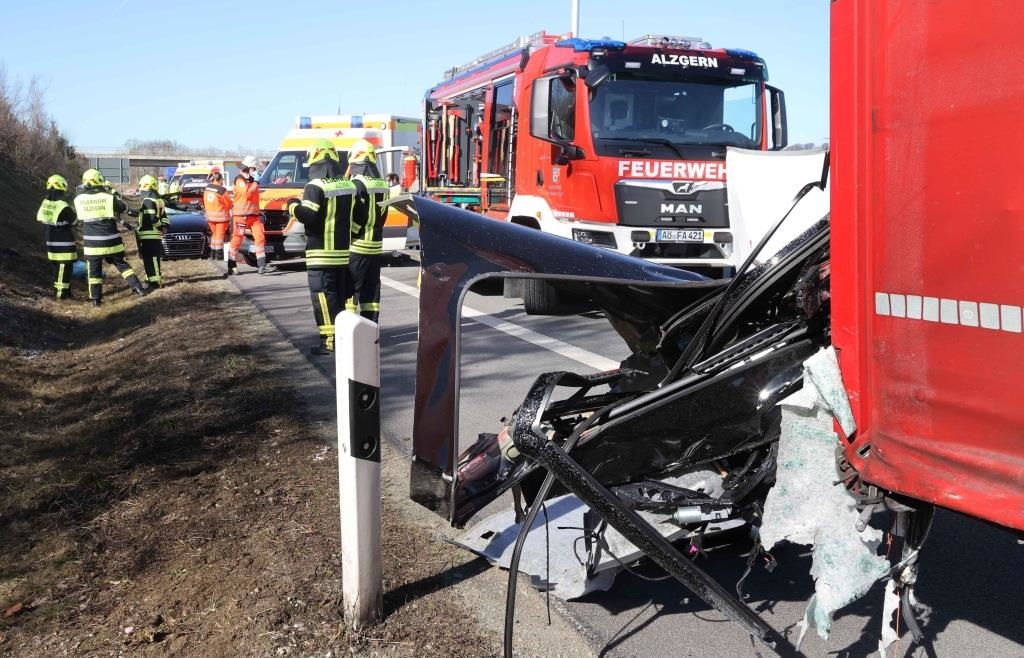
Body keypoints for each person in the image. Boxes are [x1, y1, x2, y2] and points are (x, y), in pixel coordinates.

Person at [287, 138, 354, 355]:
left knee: (323, 297)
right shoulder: (348, 185)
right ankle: (344, 338)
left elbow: (309, 216)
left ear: (313, 157)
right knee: (340, 298)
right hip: (342, 253)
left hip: (320, 253)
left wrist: (292, 206)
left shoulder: (314, 186)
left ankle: (329, 342)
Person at [73, 169, 147, 306]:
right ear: (99, 181)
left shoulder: (78, 199)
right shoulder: (108, 197)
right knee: (122, 265)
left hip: (92, 243)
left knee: (93, 272)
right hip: (112, 240)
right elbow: (124, 208)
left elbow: (76, 218)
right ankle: (138, 288)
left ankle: (96, 300)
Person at [345, 139, 390, 323]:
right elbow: (383, 216)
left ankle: (349, 332)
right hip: (375, 246)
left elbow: (352, 215)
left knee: (350, 292)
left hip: (357, 247)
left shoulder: (356, 183)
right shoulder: (382, 183)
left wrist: (351, 234)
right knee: (371, 292)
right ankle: (371, 329)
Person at [228, 155, 277, 275]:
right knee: (237, 240)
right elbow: (247, 194)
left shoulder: (251, 179)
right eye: (254, 168)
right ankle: (231, 266)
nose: (255, 171)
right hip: (242, 217)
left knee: (260, 238)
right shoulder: (239, 179)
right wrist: (256, 182)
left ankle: (262, 266)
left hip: (254, 216)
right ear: (249, 168)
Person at [35, 174, 78, 300]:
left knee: (58, 268)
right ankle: (61, 294)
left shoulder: (45, 204)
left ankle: (65, 291)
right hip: (64, 242)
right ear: (62, 187)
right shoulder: (63, 205)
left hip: (50, 241)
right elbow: (75, 221)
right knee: (64, 268)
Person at [129, 174, 169, 288]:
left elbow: (152, 218)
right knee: (151, 258)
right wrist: (165, 226)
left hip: (149, 234)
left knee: (151, 258)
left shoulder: (147, 200)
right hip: (154, 235)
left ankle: (155, 282)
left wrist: (160, 227)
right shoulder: (159, 200)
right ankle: (150, 278)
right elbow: (163, 216)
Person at [202, 168, 232, 260]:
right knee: (219, 236)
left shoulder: (207, 188)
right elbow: (229, 204)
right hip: (220, 217)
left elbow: (204, 201)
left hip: (210, 217)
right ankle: (219, 255)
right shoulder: (222, 190)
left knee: (214, 235)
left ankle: (212, 254)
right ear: (220, 179)